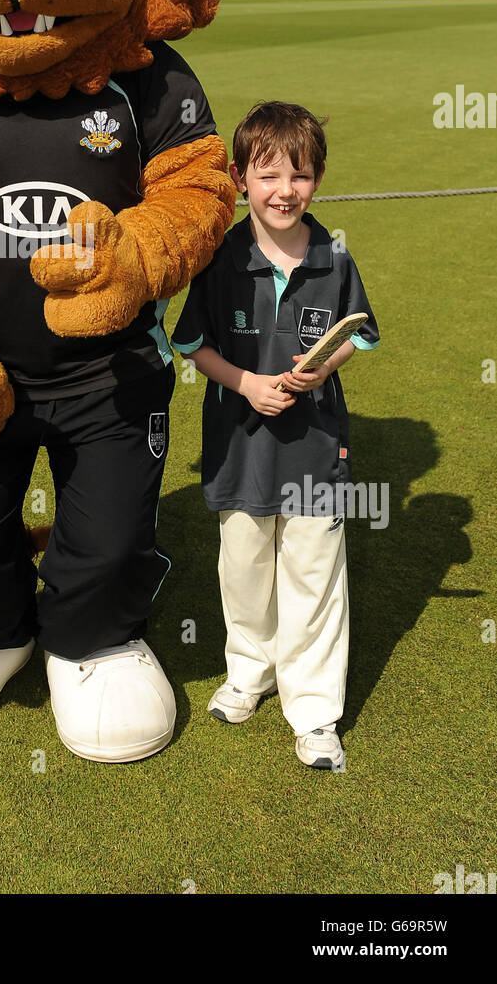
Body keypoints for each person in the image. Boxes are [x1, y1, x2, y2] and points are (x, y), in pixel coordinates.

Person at [170, 102, 379, 770]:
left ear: (316, 179)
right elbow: (192, 345)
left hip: (315, 448)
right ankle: (247, 672)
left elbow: (358, 333)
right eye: (266, 176)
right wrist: (245, 383)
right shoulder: (220, 255)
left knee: (314, 576)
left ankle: (314, 713)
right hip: (238, 445)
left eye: (299, 175)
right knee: (244, 568)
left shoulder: (332, 252)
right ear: (238, 179)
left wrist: (319, 367)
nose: (283, 190)